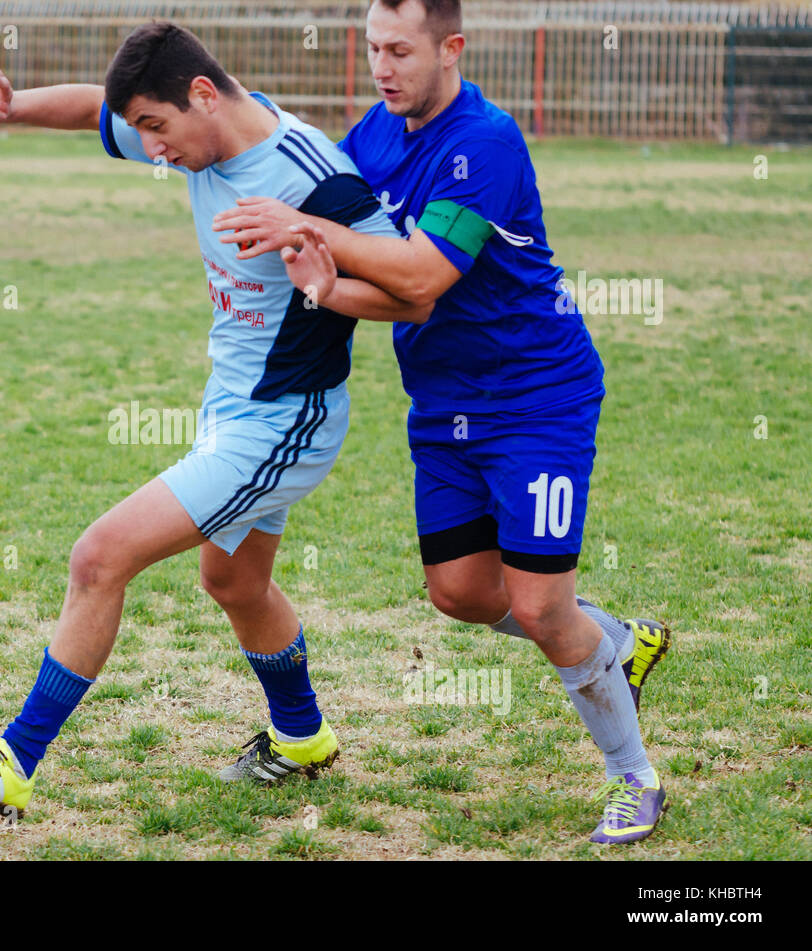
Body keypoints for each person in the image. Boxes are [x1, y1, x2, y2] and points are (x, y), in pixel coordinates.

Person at [0, 22, 430, 816]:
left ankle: (12, 761)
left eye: (157, 129)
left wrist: (317, 269)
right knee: (233, 580)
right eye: (142, 132)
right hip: (232, 406)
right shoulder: (192, 129)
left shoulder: (311, 175)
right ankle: (302, 737)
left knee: (99, 556)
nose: (152, 151)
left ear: (201, 96)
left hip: (284, 419)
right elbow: (99, 110)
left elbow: (410, 294)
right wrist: (15, 108)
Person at [212, 0, 670, 844]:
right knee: (458, 592)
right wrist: (318, 282)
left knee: (537, 607)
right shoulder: (371, 138)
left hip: (538, 399)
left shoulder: (484, 143)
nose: (382, 67)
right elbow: (379, 292)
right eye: (373, 49)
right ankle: (616, 639)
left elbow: (422, 277)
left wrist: (310, 229)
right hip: (446, 407)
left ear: (451, 47)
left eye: (400, 50)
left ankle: (633, 775)